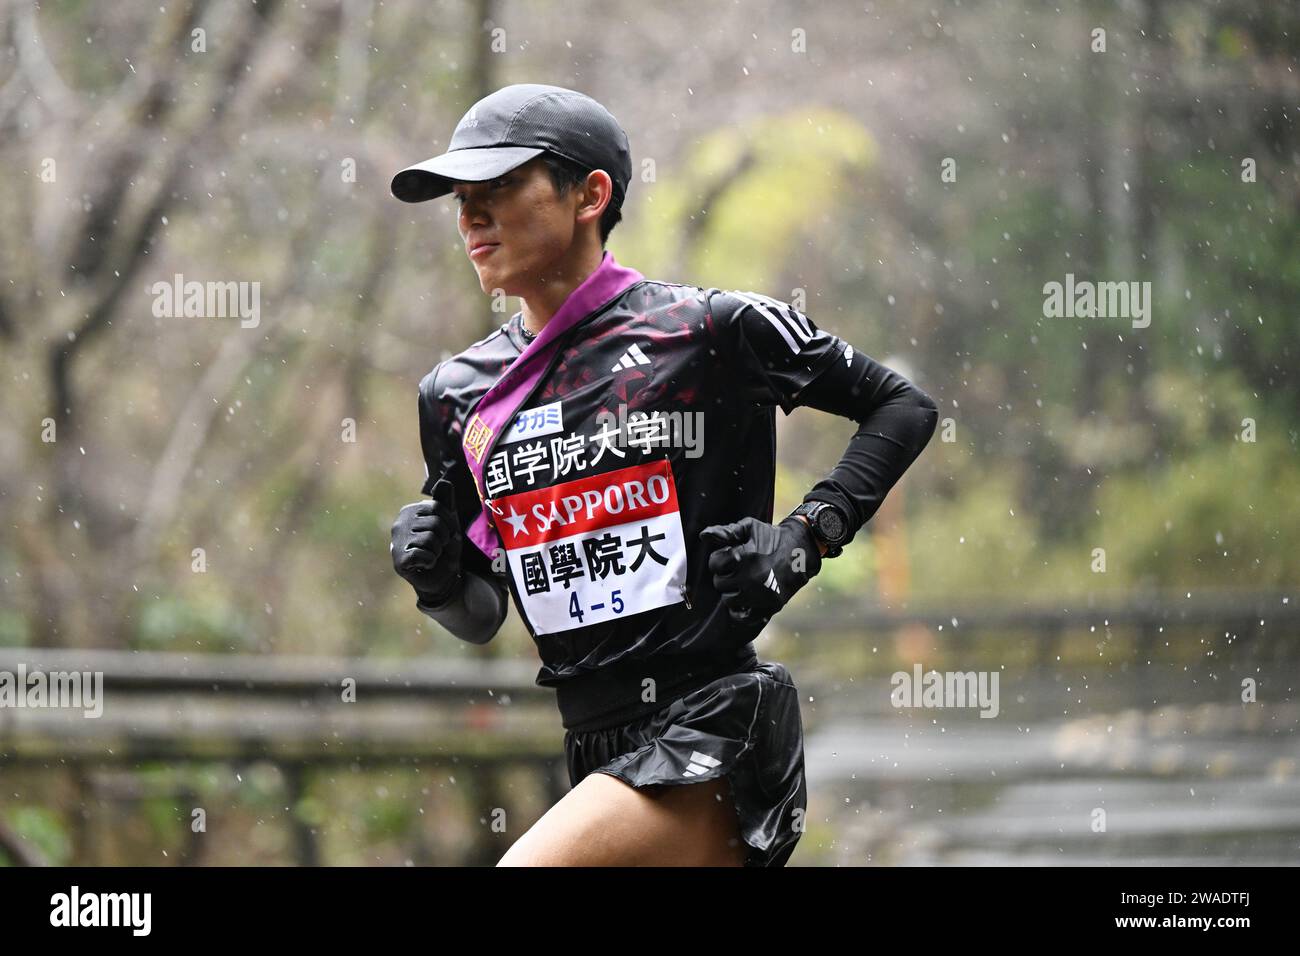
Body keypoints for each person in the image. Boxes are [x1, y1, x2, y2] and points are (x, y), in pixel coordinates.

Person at [389, 83, 938, 866]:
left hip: (715, 722)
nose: (470, 216)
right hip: (588, 742)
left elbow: (901, 406)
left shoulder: (707, 331)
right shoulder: (456, 396)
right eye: (460, 196)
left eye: (500, 187)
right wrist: (437, 580)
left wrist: (804, 538)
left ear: (590, 194)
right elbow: (481, 616)